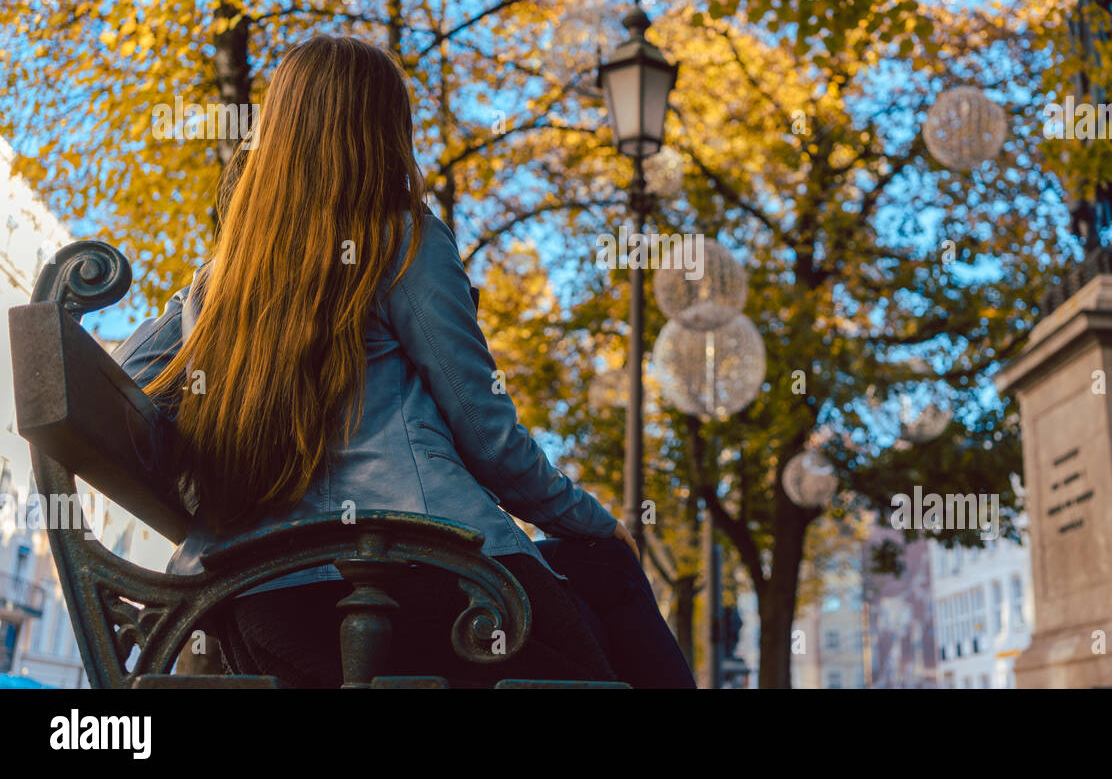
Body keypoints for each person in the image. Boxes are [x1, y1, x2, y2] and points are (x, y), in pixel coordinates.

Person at [112, 34, 695, 688]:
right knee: (607, 571)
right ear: (383, 131)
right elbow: (489, 436)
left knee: (595, 579)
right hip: (411, 582)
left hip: (258, 601)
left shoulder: (222, 281)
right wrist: (597, 519)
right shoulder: (405, 238)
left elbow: (127, 378)